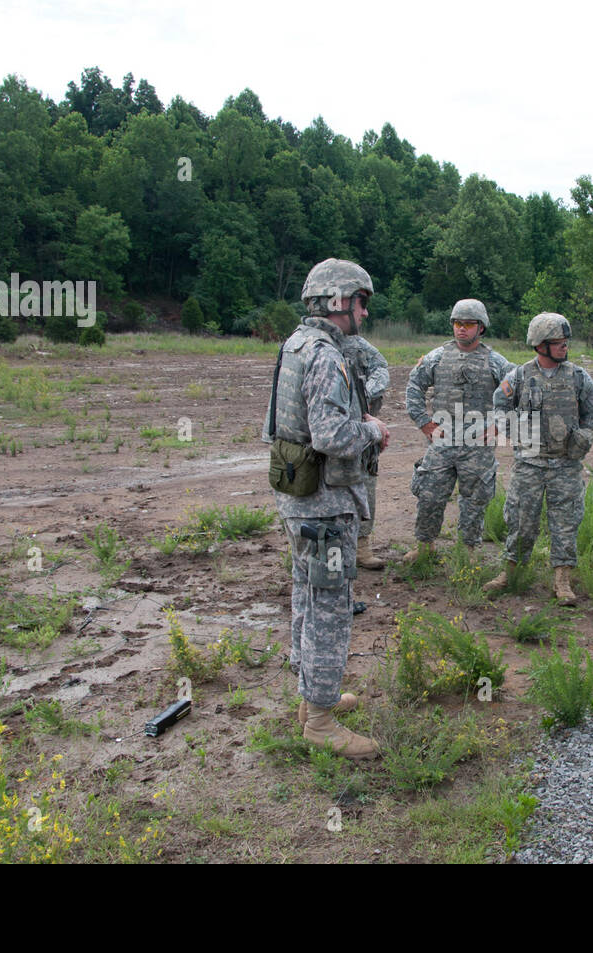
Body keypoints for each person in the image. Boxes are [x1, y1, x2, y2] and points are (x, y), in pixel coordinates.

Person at [261, 258, 390, 759]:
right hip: (323, 502)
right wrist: (373, 430)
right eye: (360, 300)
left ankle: (313, 698)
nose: (364, 311)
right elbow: (332, 435)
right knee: (330, 606)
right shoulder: (325, 355)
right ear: (339, 302)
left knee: (307, 596)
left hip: (299, 497)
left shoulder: (295, 344)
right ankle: (320, 721)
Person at [484, 313, 593, 606]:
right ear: (540, 345)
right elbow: (499, 403)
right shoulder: (520, 376)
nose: (564, 347)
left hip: (565, 464)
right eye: (557, 343)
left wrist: (584, 435)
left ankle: (562, 580)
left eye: (565, 342)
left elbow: (592, 409)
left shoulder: (577, 376)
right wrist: (512, 431)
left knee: (565, 521)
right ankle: (510, 572)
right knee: (521, 519)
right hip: (529, 465)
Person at [403, 299, 514, 562]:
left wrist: (498, 425)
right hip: (442, 443)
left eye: (468, 324)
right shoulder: (437, 357)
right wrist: (424, 423)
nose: (461, 329)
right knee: (429, 494)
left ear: (481, 328)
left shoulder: (496, 362)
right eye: (457, 323)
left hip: (477, 446)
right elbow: (414, 386)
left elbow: (518, 393)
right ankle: (425, 547)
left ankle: (469, 550)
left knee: (475, 500)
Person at [340, 334, 391, 570]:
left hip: (362, 429)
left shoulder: (359, 346)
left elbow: (381, 369)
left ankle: (361, 546)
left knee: (366, 485)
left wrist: (361, 398)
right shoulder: (311, 345)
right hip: (328, 430)